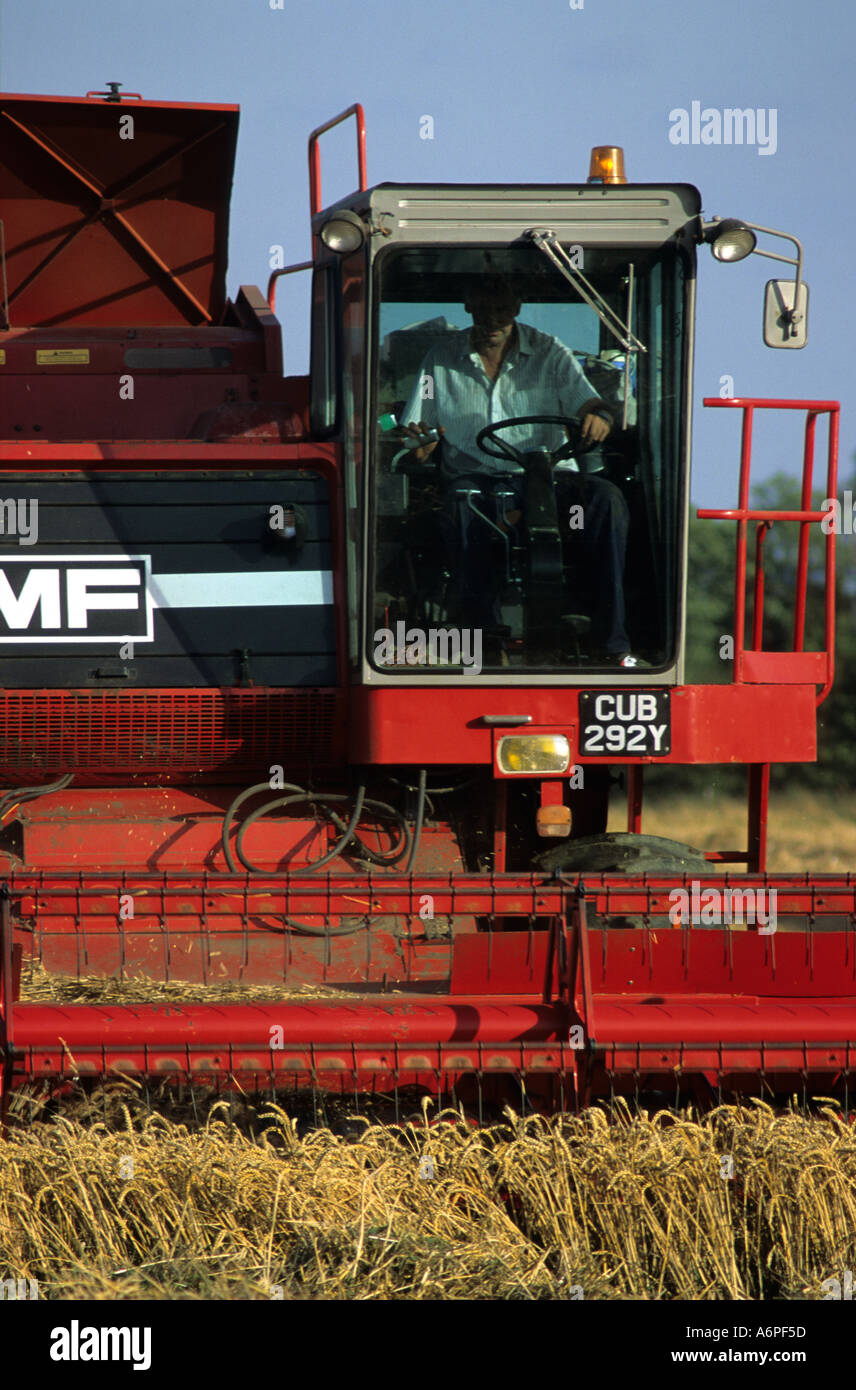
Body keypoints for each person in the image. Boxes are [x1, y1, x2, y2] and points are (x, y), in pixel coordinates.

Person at [399, 276, 633, 663]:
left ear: (517, 309)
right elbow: (419, 430)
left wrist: (598, 418)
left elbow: (588, 402)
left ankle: (610, 643)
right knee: (462, 502)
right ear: (468, 306)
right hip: (477, 482)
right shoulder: (439, 361)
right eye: (484, 310)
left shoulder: (550, 352)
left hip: (551, 479)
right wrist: (421, 443)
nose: (492, 320)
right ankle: (484, 640)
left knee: (604, 501)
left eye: (501, 311)